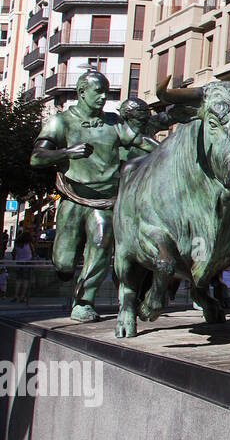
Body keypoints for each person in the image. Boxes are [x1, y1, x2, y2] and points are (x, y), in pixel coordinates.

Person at [30, 71, 155, 321]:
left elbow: (142, 142)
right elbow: (36, 157)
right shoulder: (61, 122)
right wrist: (66, 153)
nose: (102, 97)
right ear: (81, 92)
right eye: (98, 92)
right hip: (74, 198)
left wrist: (171, 152)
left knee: (100, 245)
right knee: (64, 263)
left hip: (105, 201)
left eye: (106, 92)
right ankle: (65, 271)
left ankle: (83, 302)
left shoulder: (113, 122)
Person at [12, 231, 34, 304]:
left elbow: (14, 253)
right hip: (27, 263)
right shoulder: (29, 244)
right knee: (25, 281)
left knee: (18, 280)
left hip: (19, 262)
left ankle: (15, 296)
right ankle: (22, 296)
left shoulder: (17, 244)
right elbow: (33, 252)